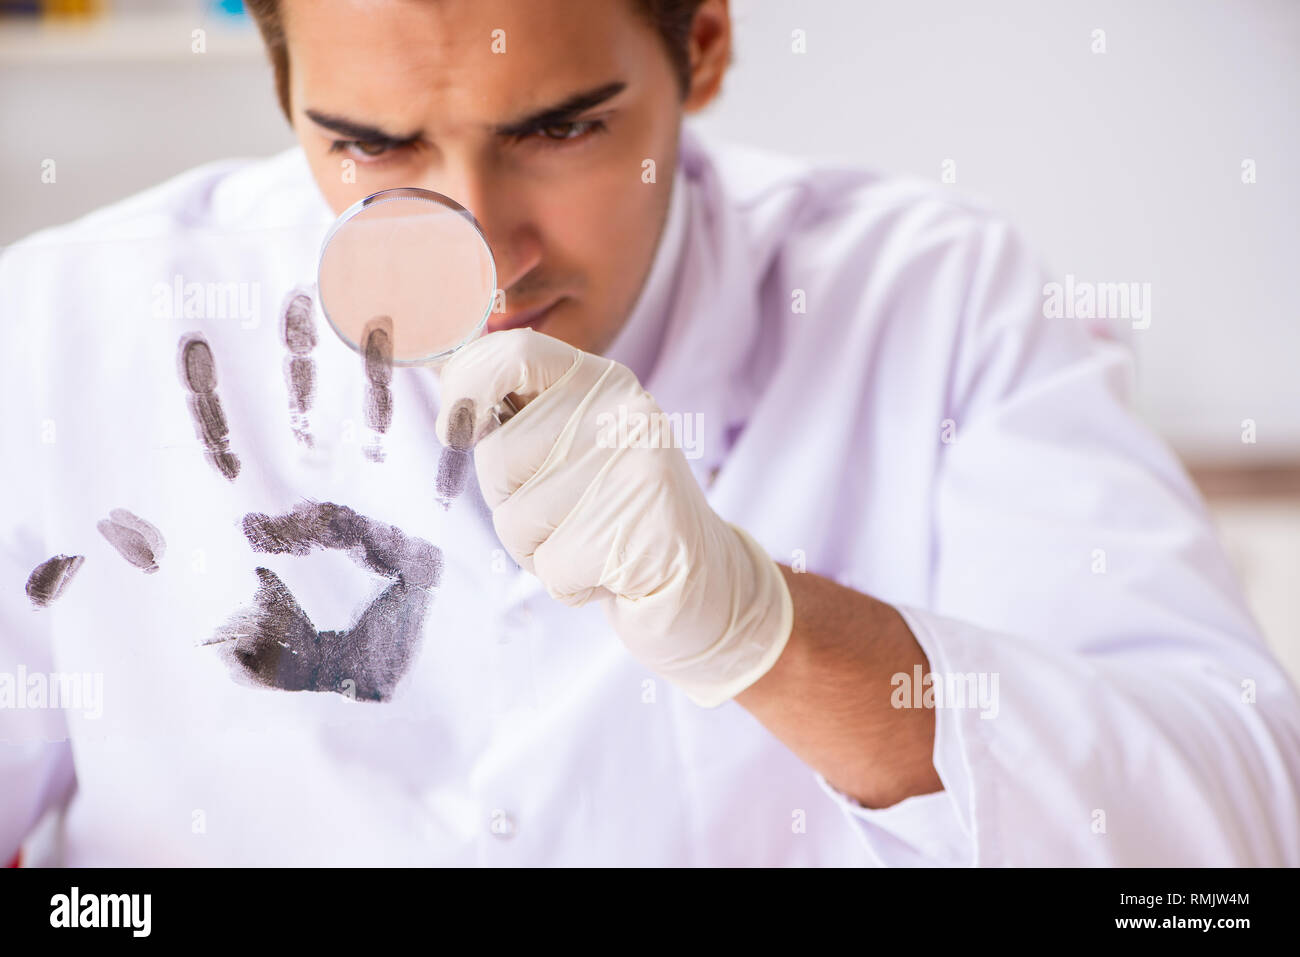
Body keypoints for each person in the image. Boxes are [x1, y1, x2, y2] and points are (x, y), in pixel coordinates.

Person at [1, 0, 1297, 867]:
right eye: (369, 146)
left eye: (560, 130)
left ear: (708, 46)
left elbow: (1237, 824)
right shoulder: (70, 328)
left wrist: (767, 630)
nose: (481, 245)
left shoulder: (934, 299)